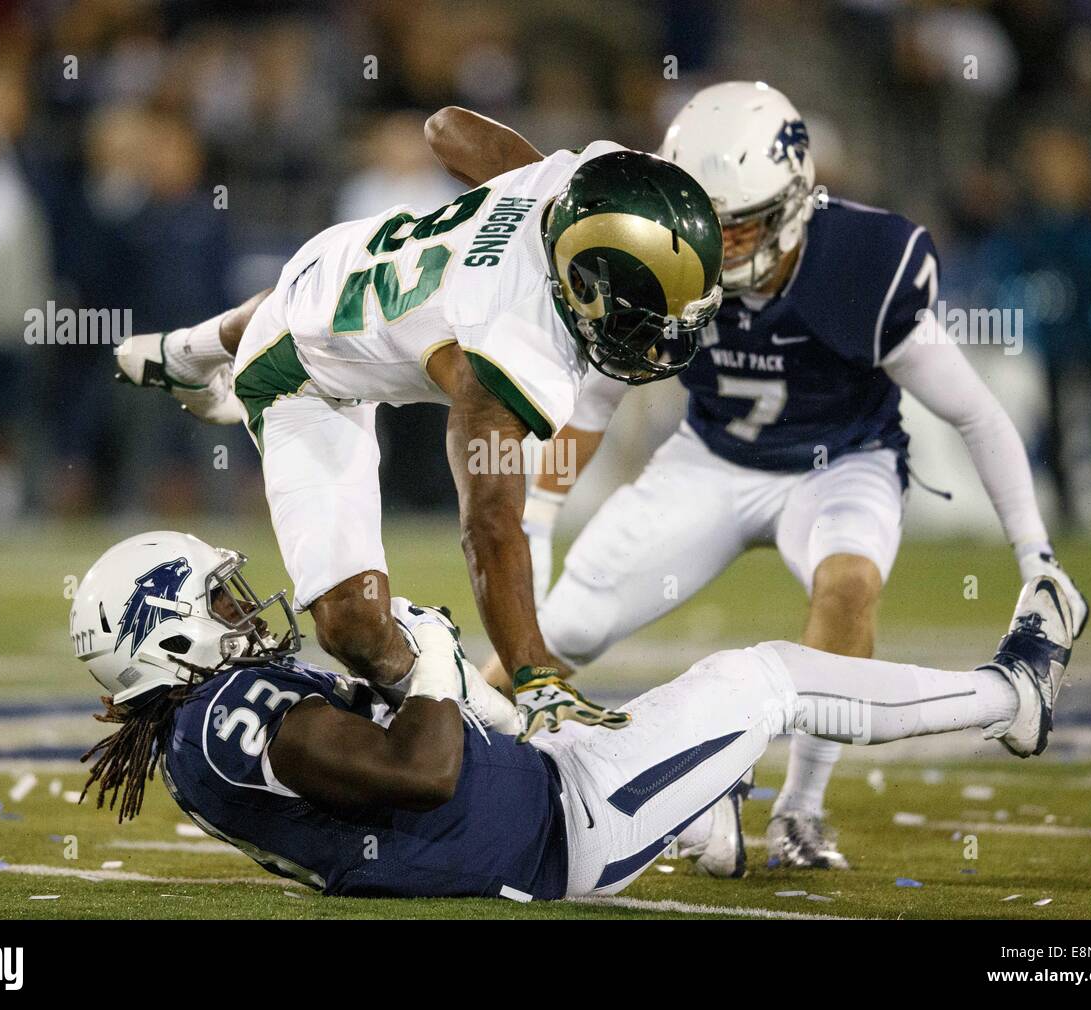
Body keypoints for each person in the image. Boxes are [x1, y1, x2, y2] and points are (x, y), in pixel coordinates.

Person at [443, 83, 1090, 872]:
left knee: (848, 586)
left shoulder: (863, 263)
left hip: (843, 462)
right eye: (707, 220)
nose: (720, 243)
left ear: (792, 202)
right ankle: (452, 753)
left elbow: (978, 415)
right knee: (564, 630)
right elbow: (601, 392)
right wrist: (540, 515)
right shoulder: (667, 240)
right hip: (709, 460)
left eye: (739, 223)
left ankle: (801, 807)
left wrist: (1037, 557)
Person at [70, 530, 1074, 900]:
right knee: (767, 675)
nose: (247, 610)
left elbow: (389, 769)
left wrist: (440, 685)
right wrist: (425, 666)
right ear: (164, 636)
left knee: (528, 710)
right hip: (562, 827)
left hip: (534, 801)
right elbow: (421, 770)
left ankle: (699, 810)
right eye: (219, 600)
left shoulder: (196, 739)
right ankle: (1013, 694)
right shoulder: (228, 713)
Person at [112, 137, 723, 728]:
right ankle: (484, 723)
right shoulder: (506, 348)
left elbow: (446, 127)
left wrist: (514, 191)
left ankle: (185, 352)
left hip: (341, 254)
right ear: (584, 280)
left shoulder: (564, 188)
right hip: (302, 383)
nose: (657, 339)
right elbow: (490, 523)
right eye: (644, 318)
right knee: (354, 628)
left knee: (299, 298)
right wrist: (535, 675)